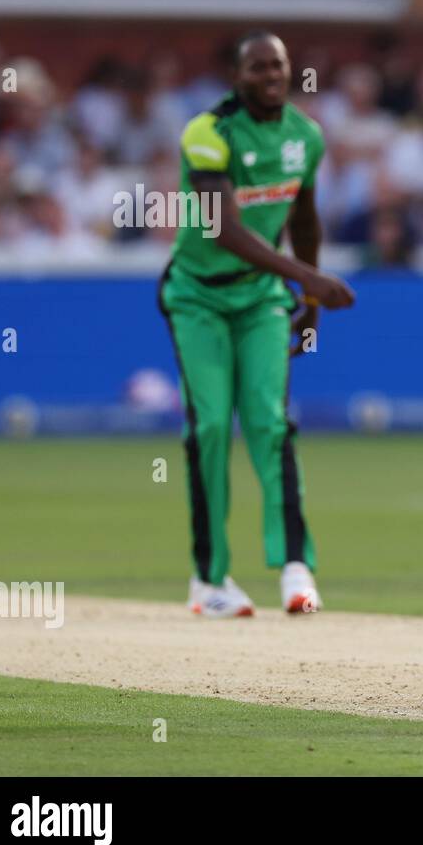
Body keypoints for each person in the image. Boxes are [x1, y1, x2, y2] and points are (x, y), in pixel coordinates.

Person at [159, 31, 355, 618]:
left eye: (279, 66)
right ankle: (209, 580)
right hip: (197, 296)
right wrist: (308, 278)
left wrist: (310, 298)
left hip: (262, 299)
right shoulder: (207, 133)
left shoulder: (306, 135)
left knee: (270, 421)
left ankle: (296, 569)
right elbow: (224, 230)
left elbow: (305, 218)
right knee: (213, 425)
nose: (271, 76)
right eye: (258, 67)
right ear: (237, 75)